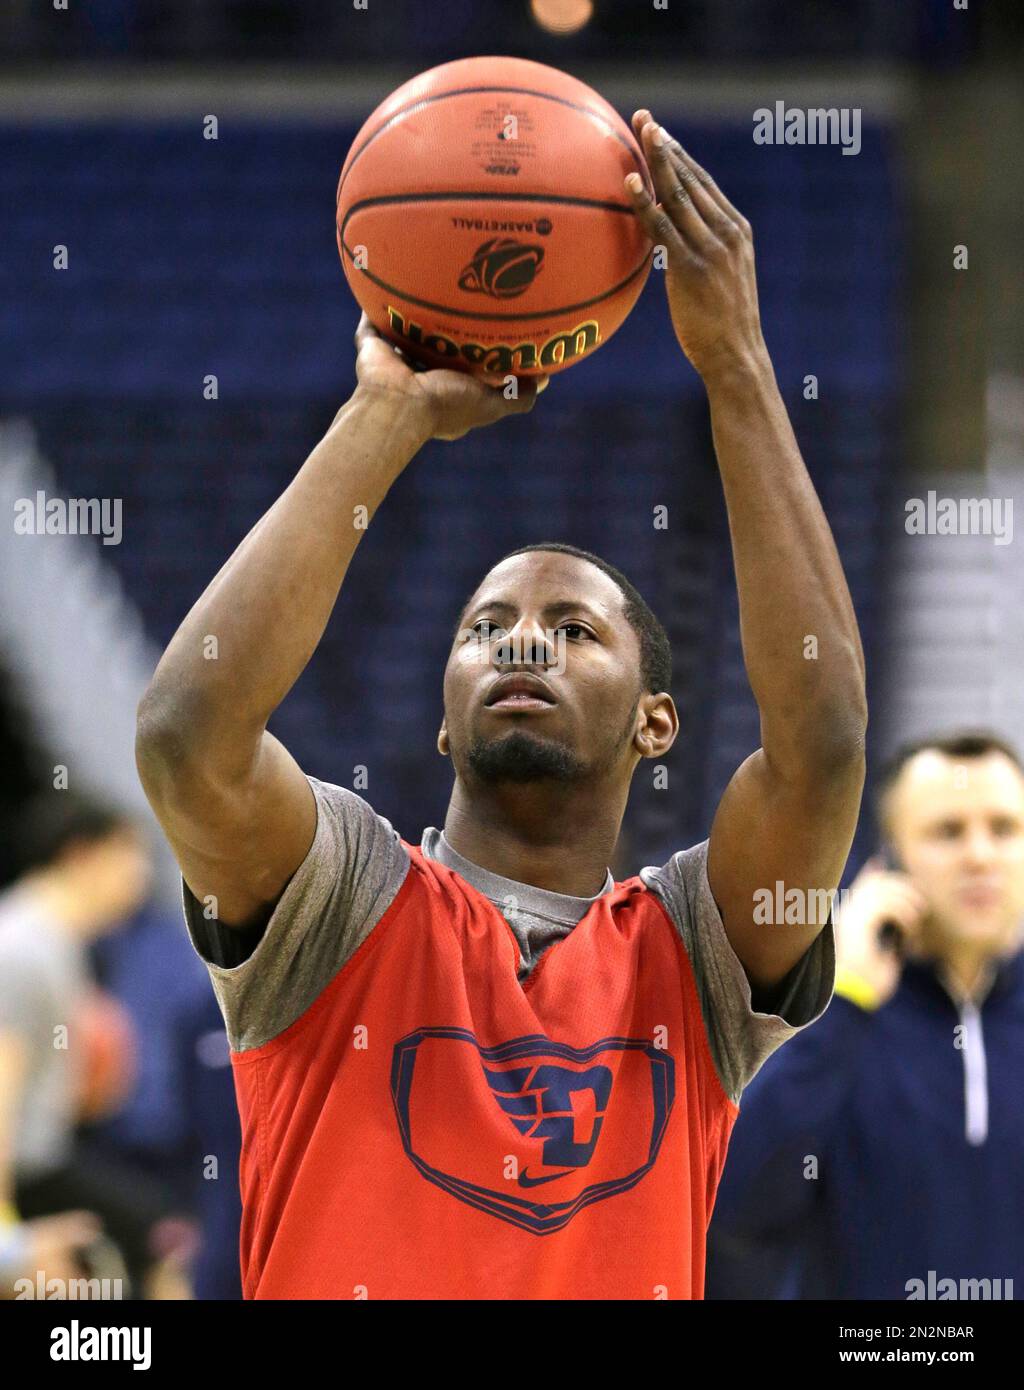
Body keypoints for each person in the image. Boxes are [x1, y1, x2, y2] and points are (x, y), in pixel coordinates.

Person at [135, 115, 867, 1300]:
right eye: (483, 628)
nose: (520, 637)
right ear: (441, 715)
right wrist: (384, 418)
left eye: (574, 630)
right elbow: (184, 739)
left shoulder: (693, 954)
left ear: (656, 722)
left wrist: (735, 361)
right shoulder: (340, 902)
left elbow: (822, 747)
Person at [706, 731, 1024, 1301]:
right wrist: (843, 1000)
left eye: (1004, 829)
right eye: (947, 832)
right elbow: (734, 1207)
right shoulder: (831, 1018)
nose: (981, 855)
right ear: (890, 864)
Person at [0, 790, 178, 1298]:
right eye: (129, 854)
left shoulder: (55, 943)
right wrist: (7, 1246)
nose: (141, 877)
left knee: (155, 1231)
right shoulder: (24, 948)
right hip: (22, 1172)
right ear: (81, 854)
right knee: (158, 1237)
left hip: (42, 1159)